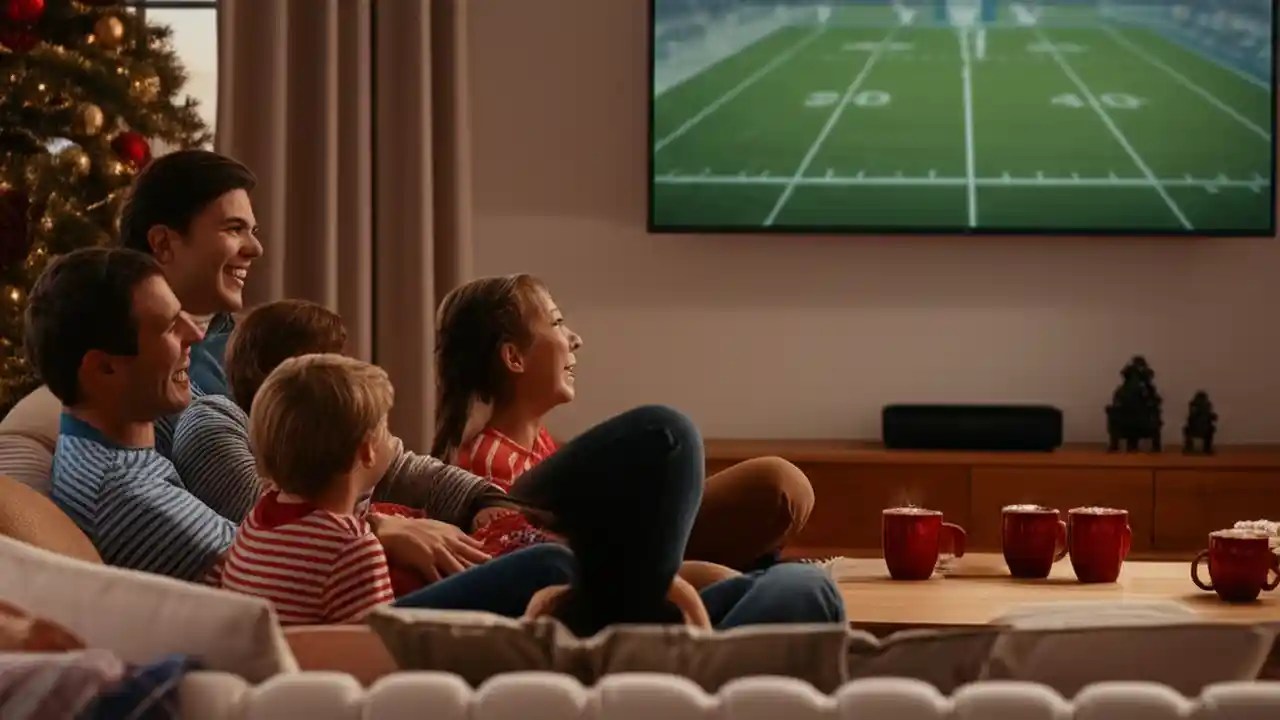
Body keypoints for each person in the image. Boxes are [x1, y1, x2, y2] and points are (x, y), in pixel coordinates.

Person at [432, 274, 815, 571]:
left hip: (620, 561)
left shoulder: (538, 446)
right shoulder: (489, 464)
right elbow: (526, 567)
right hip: (602, 583)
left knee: (779, 499)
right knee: (773, 485)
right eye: (557, 322)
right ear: (514, 358)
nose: (575, 339)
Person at [172, 299, 553, 586]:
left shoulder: (338, 436)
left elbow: (407, 468)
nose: (348, 379)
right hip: (347, 599)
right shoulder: (215, 420)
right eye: (335, 369)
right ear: (290, 379)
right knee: (546, 565)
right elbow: (272, 518)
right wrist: (375, 531)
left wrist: (483, 501)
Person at [0, 149, 262, 477]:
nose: (255, 249)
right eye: (234, 229)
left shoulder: (250, 339)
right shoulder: (133, 379)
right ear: (162, 243)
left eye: (253, 231)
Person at [216, 353, 401, 624]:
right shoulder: (352, 549)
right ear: (367, 450)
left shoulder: (256, 520)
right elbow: (380, 644)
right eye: (386, 430)